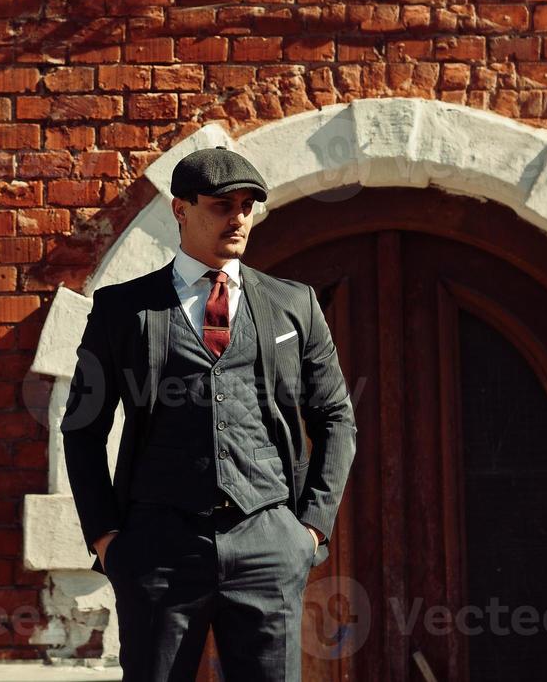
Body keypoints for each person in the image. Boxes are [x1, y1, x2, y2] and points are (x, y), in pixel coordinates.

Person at [61, 146, 358, 681]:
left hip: (267, 538)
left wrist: (309, 529)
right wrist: (107, 538)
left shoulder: (294, 305)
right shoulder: (123, 310)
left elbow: (336, 418)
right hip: (158, 546)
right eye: (223, 205)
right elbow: (83, 428)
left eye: (248, 206)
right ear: (181, 209)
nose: (239, 218)